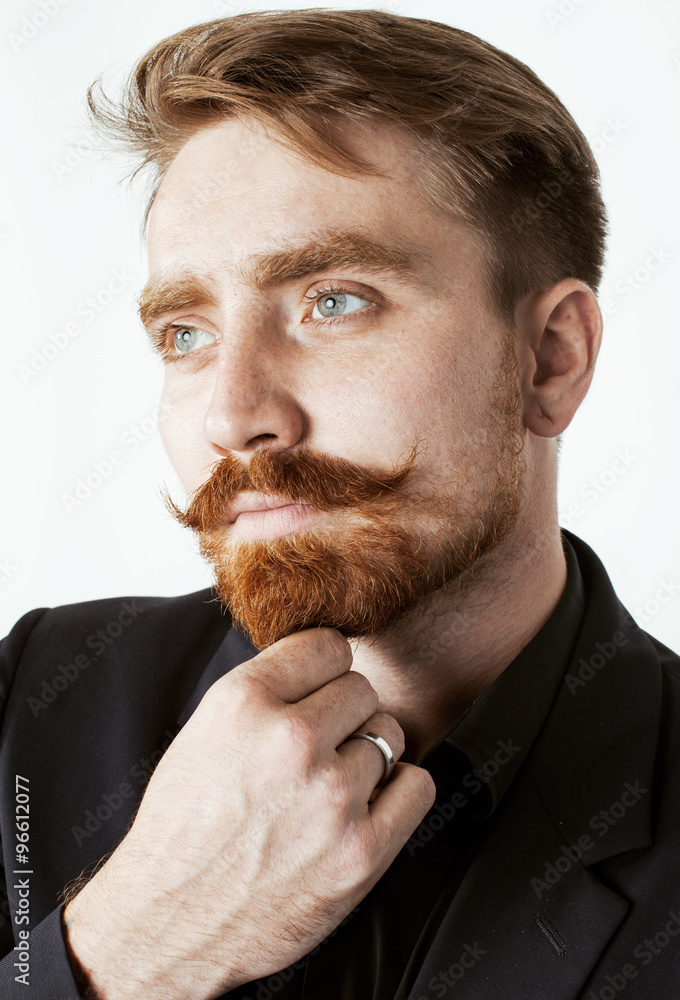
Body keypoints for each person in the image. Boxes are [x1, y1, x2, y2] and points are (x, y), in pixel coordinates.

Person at [1, 8, 678, 999]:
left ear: (549, 358)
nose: (231, 415)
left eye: (332, 300)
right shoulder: (25, 707)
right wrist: (125, 952)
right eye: (185, 332)